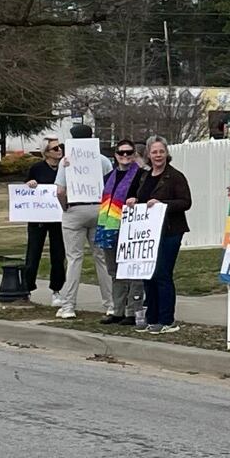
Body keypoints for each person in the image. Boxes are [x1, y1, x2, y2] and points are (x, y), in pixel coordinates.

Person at [55, 124, 109, 321]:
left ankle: (68, 305)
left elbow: (60, 191)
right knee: (102, 258)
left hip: (75, 208)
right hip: (98, 208)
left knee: (74, 258)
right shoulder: (102, 160)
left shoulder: (67, 161)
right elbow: (110, 185)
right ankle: (111, 304)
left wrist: (65, 208)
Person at [139, 136, 191, 333]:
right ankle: (151, 317)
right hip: (148, 232)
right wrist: (133, 200)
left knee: (162, 273)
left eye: (161, 151)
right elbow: (140, 197)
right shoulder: (145, 176)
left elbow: (185, 202)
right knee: (148, 274)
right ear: (148, 154)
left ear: (167, 153)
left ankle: (166, 320)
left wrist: (163, 205)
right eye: (154, 152)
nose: (158, 155)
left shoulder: (175, 176)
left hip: (170, 231)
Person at [101, 138, 152, 325]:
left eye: (129, 152)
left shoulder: (142, 176)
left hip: (132, 229)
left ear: (134, 154)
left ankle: (133, 311)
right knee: (115, 272)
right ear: (115, 155)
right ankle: (118, 310)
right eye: (121, 152)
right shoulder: (108, 178)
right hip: (110, 228)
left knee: (133, 271)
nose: (125, 156)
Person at [20, 137, 67, 305]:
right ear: (46, 152)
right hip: (39, 217)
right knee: (33, 253)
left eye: (60, 147)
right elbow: (25, 187)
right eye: (55, 148)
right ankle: (27, 288)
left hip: (59, 217)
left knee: (58, 254)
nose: (59, 150)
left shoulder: (65, 167)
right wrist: (30, 183)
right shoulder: (37, 168)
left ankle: (57, 289)